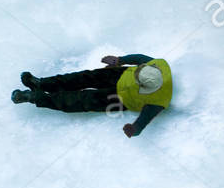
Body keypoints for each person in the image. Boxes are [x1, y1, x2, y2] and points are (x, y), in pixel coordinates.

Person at [11, 53, 171, 137]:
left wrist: (134, 129)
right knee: (83, 77)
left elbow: (144, 120)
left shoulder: (159, 100)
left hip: (120, 100)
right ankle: (41, 83)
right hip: (121, 75)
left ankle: (35, 97)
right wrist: (119, 60)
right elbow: (139, 58)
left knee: (82, 101)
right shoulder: (159, 64)